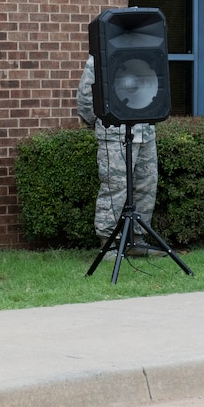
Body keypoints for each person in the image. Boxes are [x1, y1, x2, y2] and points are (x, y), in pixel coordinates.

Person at [76, 55, 161, 256]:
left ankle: (136, 242)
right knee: (115, 188)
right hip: (115, 132)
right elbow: (86, 97)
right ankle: (108, 245)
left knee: (146, 185)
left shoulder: (149, 52)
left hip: (146, 130)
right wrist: (100, 123)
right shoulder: (100, 54)